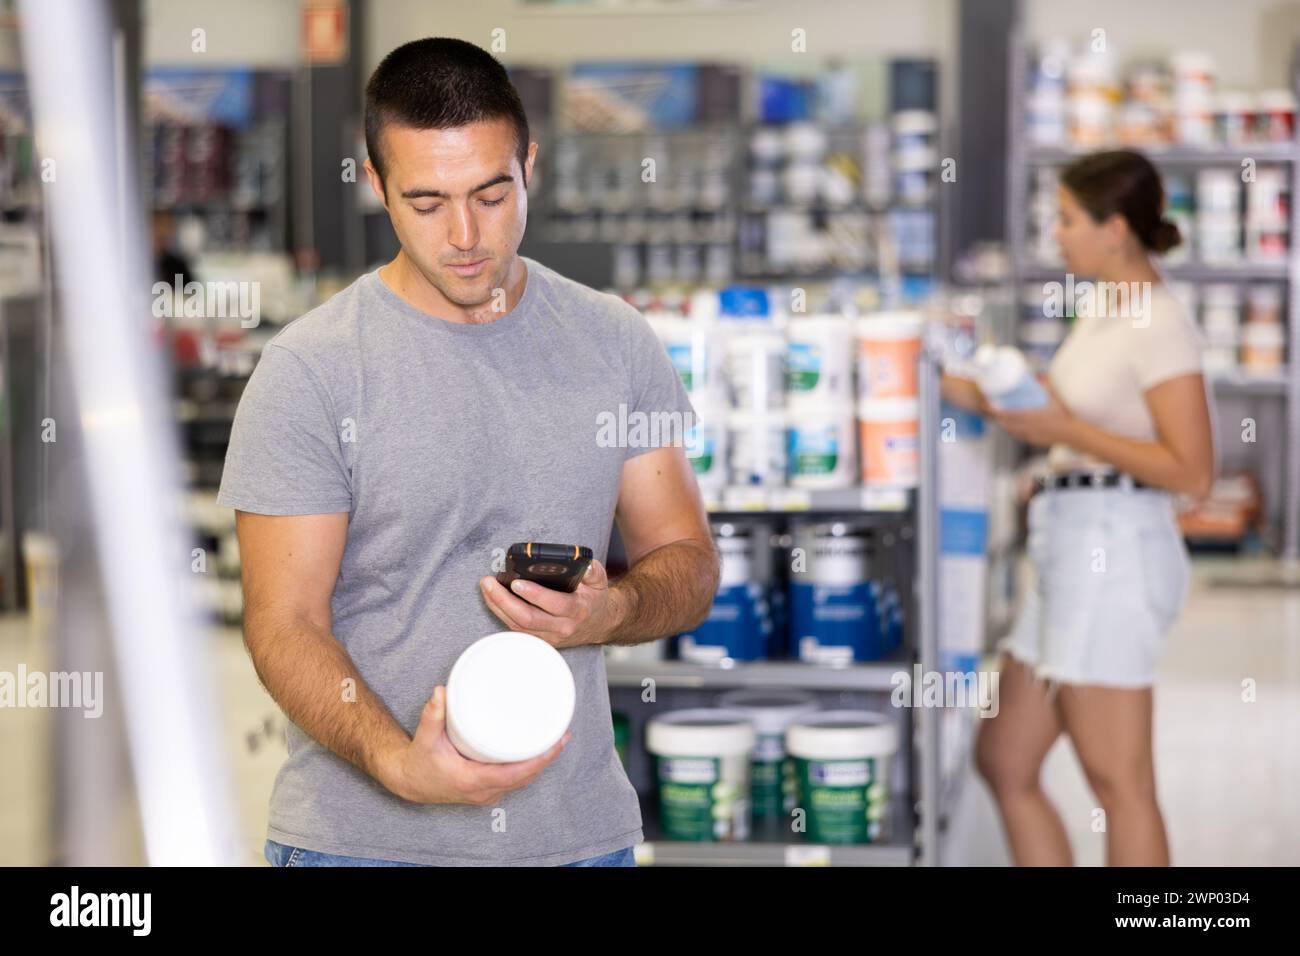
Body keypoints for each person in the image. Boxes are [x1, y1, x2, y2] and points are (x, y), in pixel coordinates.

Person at [217, 37, 719, 867]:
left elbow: (688, 560)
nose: (464, 235)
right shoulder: (311, 369)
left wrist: (614, 612)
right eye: (426, 201)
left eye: (492, 194)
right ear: (375, 185)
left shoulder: (614, 341)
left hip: (576, 841)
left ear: (531, 164)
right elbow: (283, 621)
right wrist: (397, 764)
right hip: (362, 845)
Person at [943, 149, 1215, 866]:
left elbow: (1193, 470)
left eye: (1066, 220)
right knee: (1004, 759)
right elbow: (1072, 413)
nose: (1055, 234)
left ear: (1115, 229)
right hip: (1067, 557)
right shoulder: (1103, 308)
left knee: (1119, 785)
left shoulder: (1158, 322)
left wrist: (1063, 430)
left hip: (1115, 557)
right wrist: (966, 383)